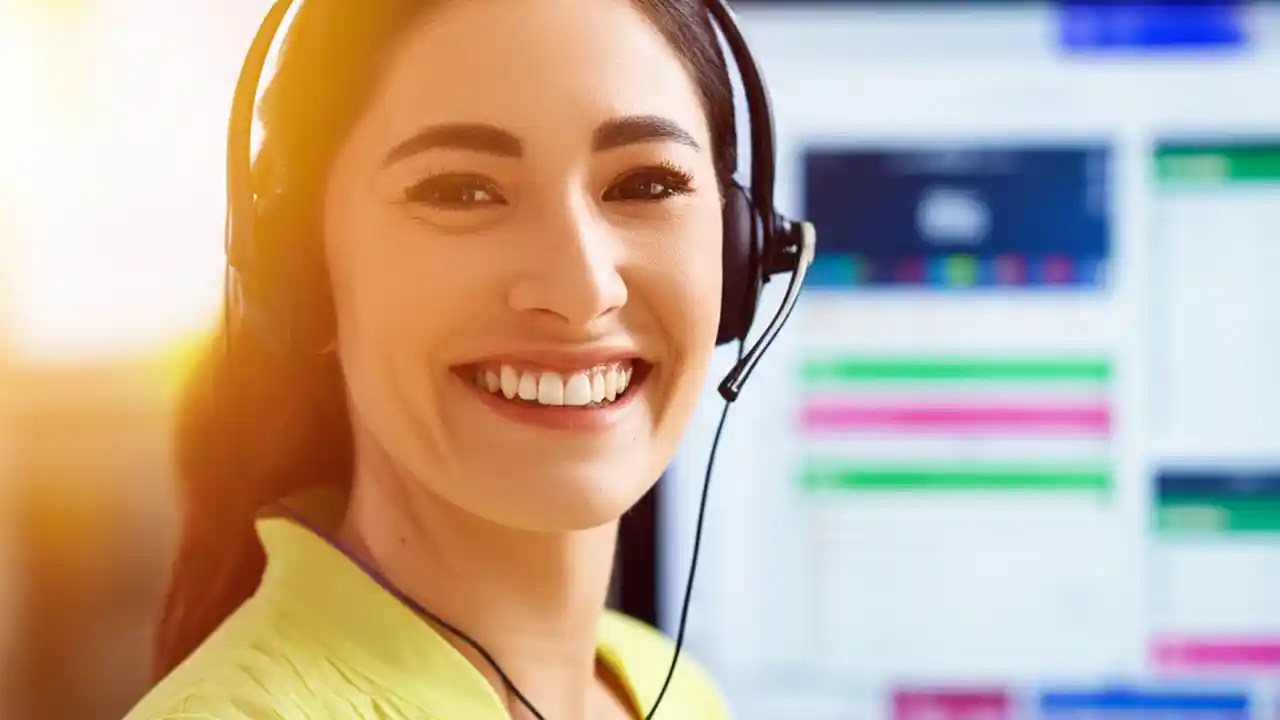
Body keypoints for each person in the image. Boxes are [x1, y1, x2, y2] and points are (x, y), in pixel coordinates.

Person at [126, 0, 815, 717]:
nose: (580, 290)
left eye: (646, 185)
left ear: (742, 254)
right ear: (302, 268)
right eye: (461, 191)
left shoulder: (672, 691)